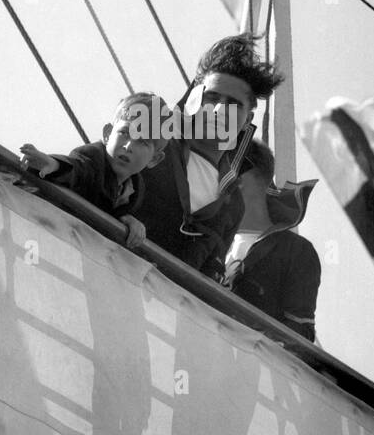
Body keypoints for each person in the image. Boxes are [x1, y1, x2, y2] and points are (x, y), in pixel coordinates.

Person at [136, 34, 284, 281]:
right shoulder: (150, 144)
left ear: (247, 120)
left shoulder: (233, 204)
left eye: (234, 104)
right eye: (212, 97)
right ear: (194, 98)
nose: (219, 110)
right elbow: (91, 170)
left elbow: (208, 274)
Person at [19, 92, 171, 248]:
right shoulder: (93, 158)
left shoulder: (134, 190)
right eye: (124, 133)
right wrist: (54, 165)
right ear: (108, 134)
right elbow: (78, 169)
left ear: (154, 159)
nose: (128, 146)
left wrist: (124, 219)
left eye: (142, 142)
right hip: (36, 230)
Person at [223, 140, 321, 342]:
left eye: (225, 169)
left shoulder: (295, 250)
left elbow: (300, 335)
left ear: (243, 178)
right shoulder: (211, 241)